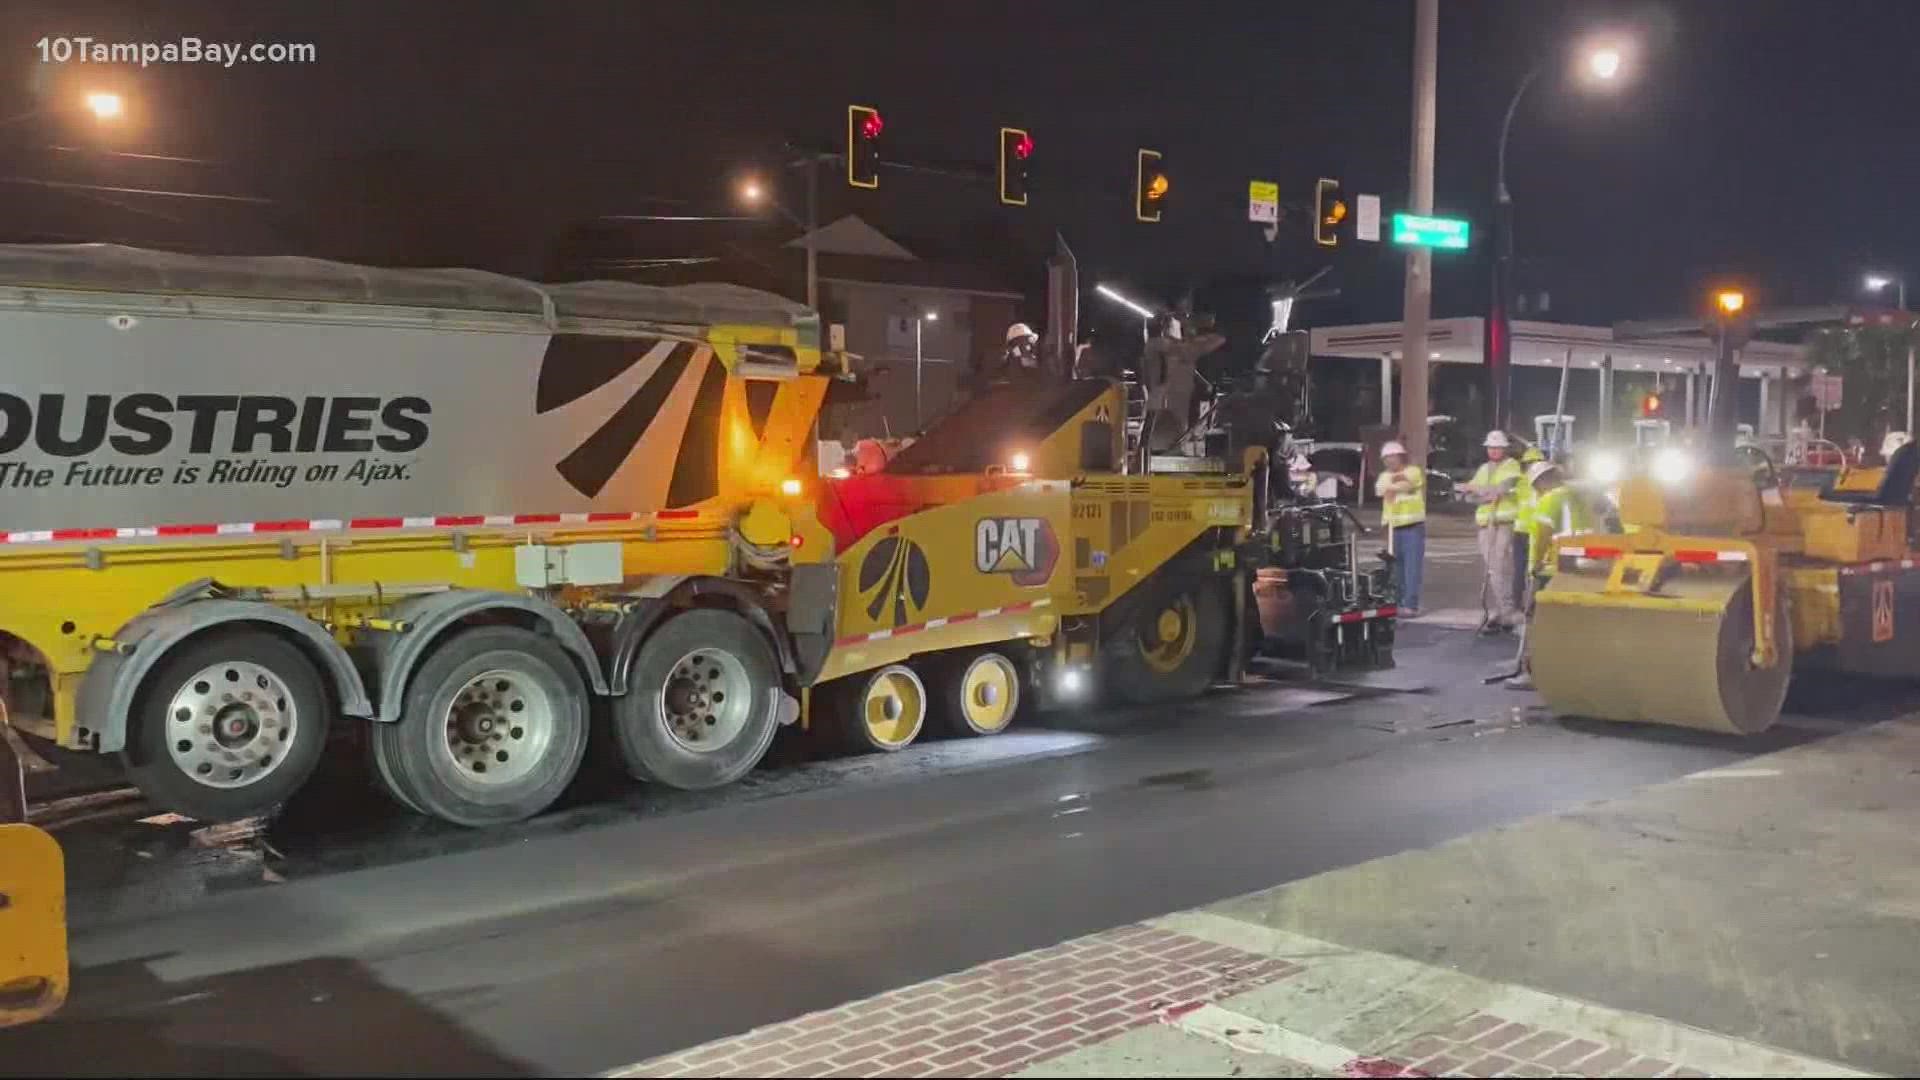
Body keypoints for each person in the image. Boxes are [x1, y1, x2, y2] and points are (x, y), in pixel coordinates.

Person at [1507, 460, 1596, 689]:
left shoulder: (1550, 500)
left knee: (1537, 620)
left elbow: (1541, 537)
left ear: (1540, 483)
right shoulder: (1578, 497)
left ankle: (1533, 672)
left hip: (1555, 567)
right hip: (1586, 566)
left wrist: (1534, 567)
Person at [1462, 430, 1524, 633]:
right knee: (1493, 569)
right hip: (1485, 524)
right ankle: (1501, 609)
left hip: (1503, 523)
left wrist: (1479, 490)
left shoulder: (1512, 466)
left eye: (1497, 447)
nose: (1493, 450)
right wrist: (1482, 491)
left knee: (1501, 568)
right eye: (1490, 447)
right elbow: (1469, 496)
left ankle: (1507, 610)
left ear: (1504, 449)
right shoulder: (1483, 468)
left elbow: (1501, 489)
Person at [1374, 440, 1426, 617]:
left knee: (1412, 568)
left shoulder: (1413, 471)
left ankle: (1411, 605)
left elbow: (1409, 483)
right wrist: (1394, 483)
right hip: (1392, 529)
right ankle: (1398, 603)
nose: (1390, 461)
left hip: (1413, 528)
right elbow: (1380, 490)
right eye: (1386, 458)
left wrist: (1393, 484)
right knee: (1396, 569)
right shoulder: (1383, 476)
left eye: (1393, 456)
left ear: (1401, 456)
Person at [1511, 446, 1545, 616]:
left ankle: (1520, 604)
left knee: (1523, 569)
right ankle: (1528, 605)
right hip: (1531, 532)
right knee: (1532, 570)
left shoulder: (1520, 482)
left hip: (1524, 531)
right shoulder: (1541, 484)